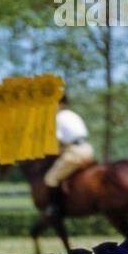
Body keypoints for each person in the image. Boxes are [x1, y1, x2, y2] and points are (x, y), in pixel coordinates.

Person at [43, 92, 94, 220]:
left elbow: (56, 138)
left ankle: (54, 208)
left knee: (50, 178)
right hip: (87, 148)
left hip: (74, 151)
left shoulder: (59, 117)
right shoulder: (73, 114)